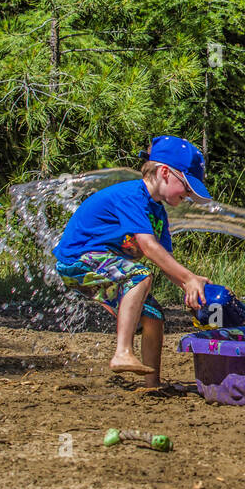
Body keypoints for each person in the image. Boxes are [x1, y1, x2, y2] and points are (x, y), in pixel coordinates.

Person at [52, 136, 211, 388]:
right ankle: (122, 351)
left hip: (105, 264)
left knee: (154, 315)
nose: (189, 195)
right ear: (165, 172)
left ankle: (152, 383)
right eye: (187, 187)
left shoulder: (157, 212)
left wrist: (190, 288)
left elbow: (164, 259)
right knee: (139, 276)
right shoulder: (132, 196)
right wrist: (188, 277)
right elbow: (148, 248)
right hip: (78, 260)